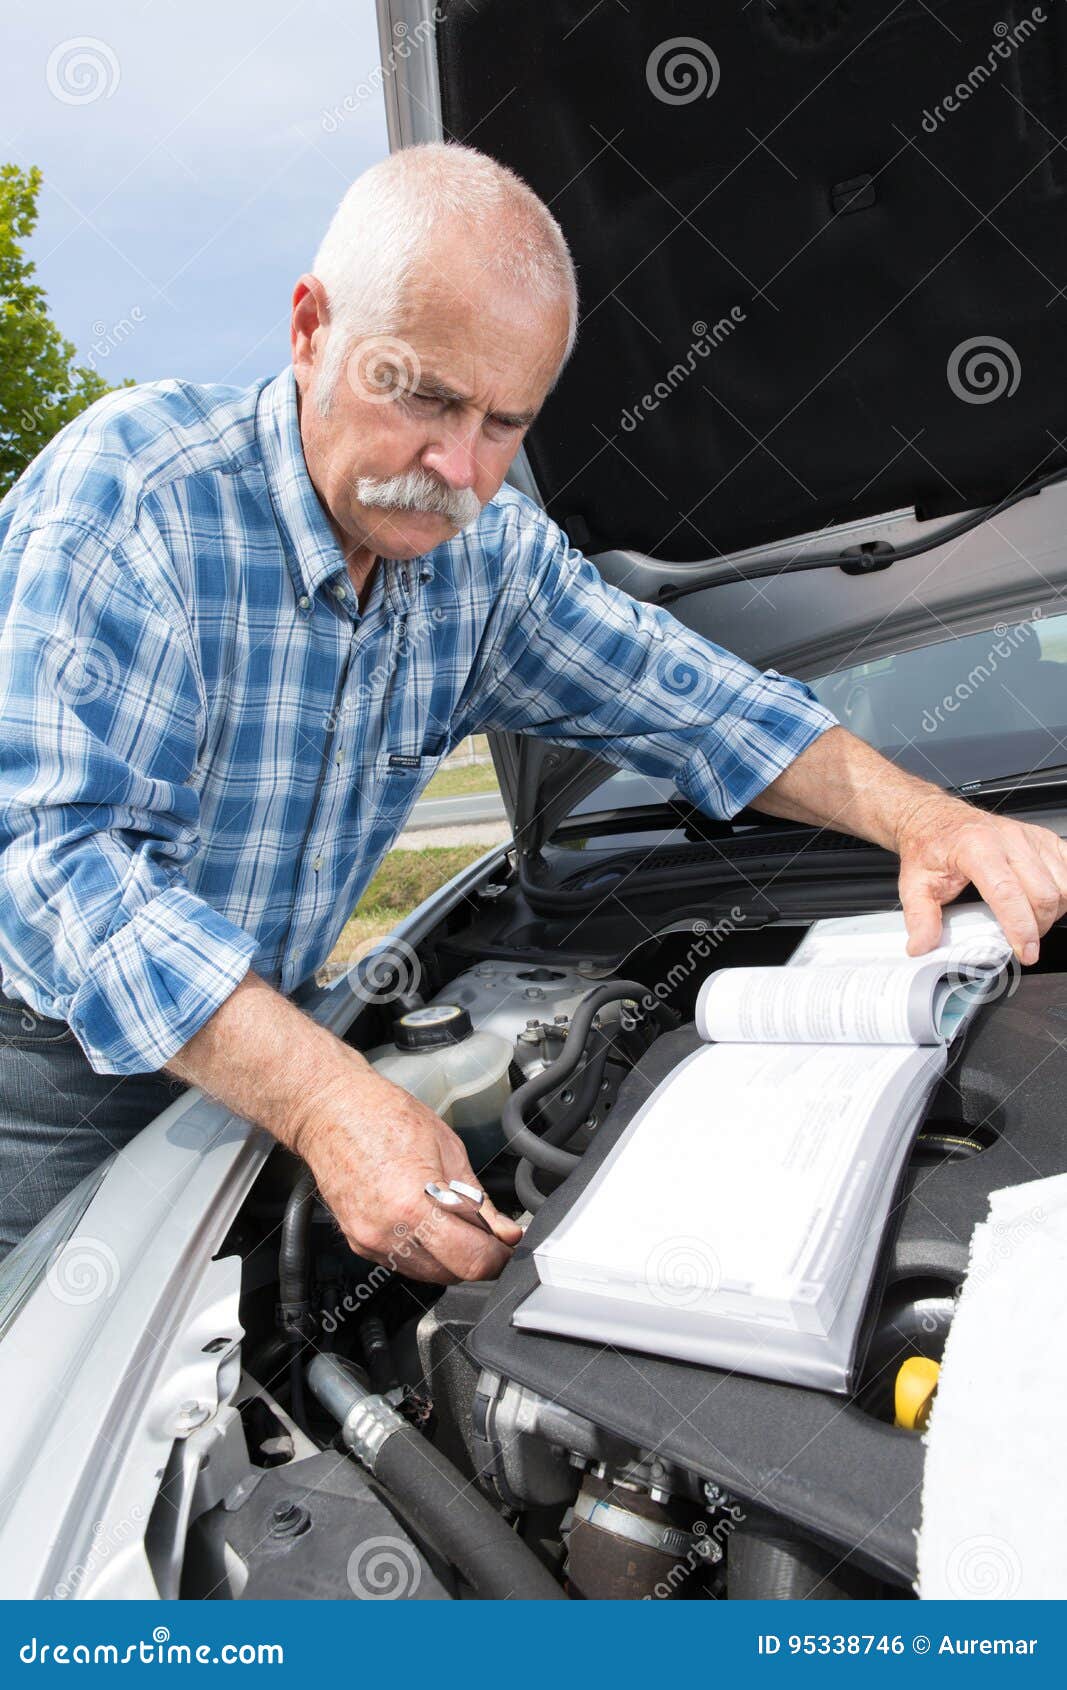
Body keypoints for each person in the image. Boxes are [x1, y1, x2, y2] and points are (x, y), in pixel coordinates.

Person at [1, 143, 1065, 1280]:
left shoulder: (486, 560)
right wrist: (324, 1099)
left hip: (271, 1012)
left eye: (503, 424)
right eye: (424, 395)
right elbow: (60, 861)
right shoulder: (133, 495)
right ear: (310, 328)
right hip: (52, 1067)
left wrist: (929, 824)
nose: (458, 469)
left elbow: (700, 705)